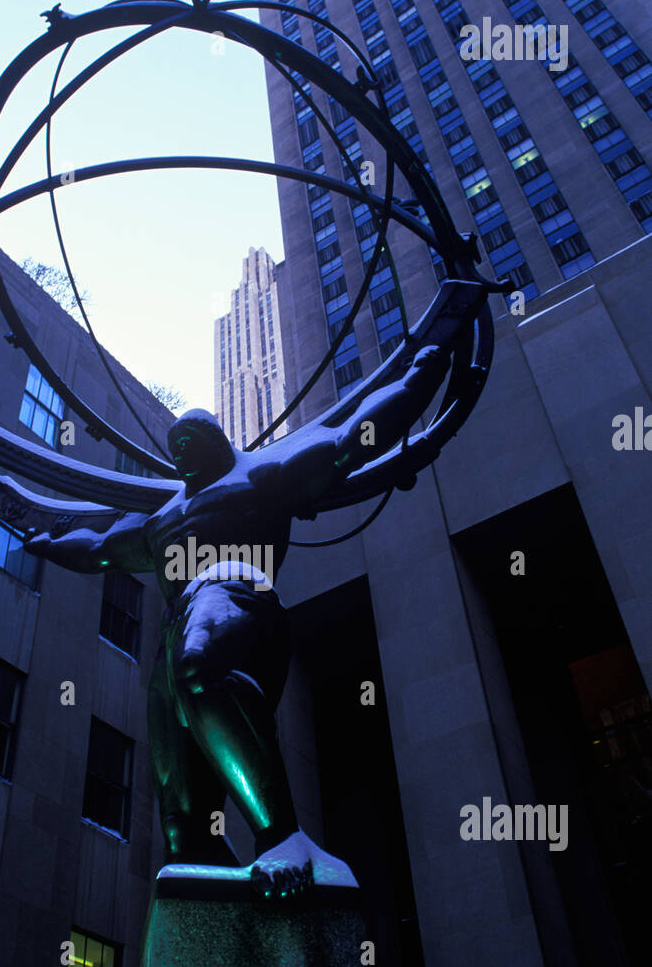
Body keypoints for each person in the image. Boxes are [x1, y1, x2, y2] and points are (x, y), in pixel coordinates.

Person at [26, 344, 450, 898]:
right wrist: (44, 540)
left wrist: (418, 382)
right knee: (177, 802)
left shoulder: (264, 477)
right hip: (179, 624)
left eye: (192, 441)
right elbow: (99, 549)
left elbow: (351, 442)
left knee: (198, 666)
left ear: (220, 440)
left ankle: (283, 836)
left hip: (239, 599)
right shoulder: (163, 519)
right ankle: (203, 865)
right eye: (175, 446)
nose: (182, 453)